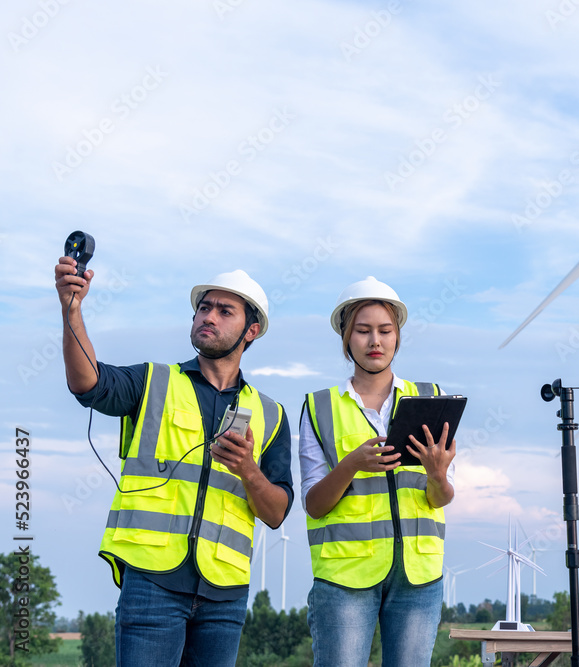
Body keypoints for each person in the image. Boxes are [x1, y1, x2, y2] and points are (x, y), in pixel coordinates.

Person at [55, 256, 293, 667]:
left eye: (224, 311)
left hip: (226, 594)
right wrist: (71, 310)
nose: (208, 316)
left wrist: (249, 470)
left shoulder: (271, 414)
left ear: (251, 331)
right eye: (204, 307)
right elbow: (86, 382)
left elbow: (275, 514)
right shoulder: (152, 381)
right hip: (152, 582)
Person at [299, 276, 457, 667]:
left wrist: (438, 475)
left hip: (418, 576)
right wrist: (352, 463)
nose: (375, 342)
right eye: (363, 331)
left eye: (385, 331)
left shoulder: (430, 399)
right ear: (345, 337)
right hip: (345, 579)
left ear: (397, 336)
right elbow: (314, 504)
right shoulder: (319, 408)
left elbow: (441, 497)